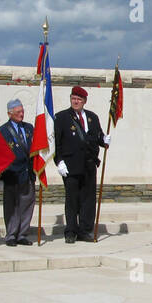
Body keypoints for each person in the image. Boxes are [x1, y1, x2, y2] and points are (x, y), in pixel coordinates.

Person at [54, 85, 110, 243]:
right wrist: (59, 162)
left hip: (89, 164)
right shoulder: (62, 117)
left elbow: (96, 135)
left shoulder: (92, 117)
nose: (75, 101)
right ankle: (71, 231)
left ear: (85, 101)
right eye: (73, 98)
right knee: (72, 200)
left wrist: (104, 139)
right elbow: (56, 143)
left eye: (78, 99)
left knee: (88, 199)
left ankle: (85, 230)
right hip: (71, 165)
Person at [0, 99, 35, 245]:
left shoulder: (29, 128)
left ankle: (22, 234)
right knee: (12, 206)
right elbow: (0, 154)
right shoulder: (3, 130)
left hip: (27, 172)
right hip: (12, 174)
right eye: (18, 112)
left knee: (27, 204)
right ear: (10, 113)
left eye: (22, 111)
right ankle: (11, 234)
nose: (21, 114)